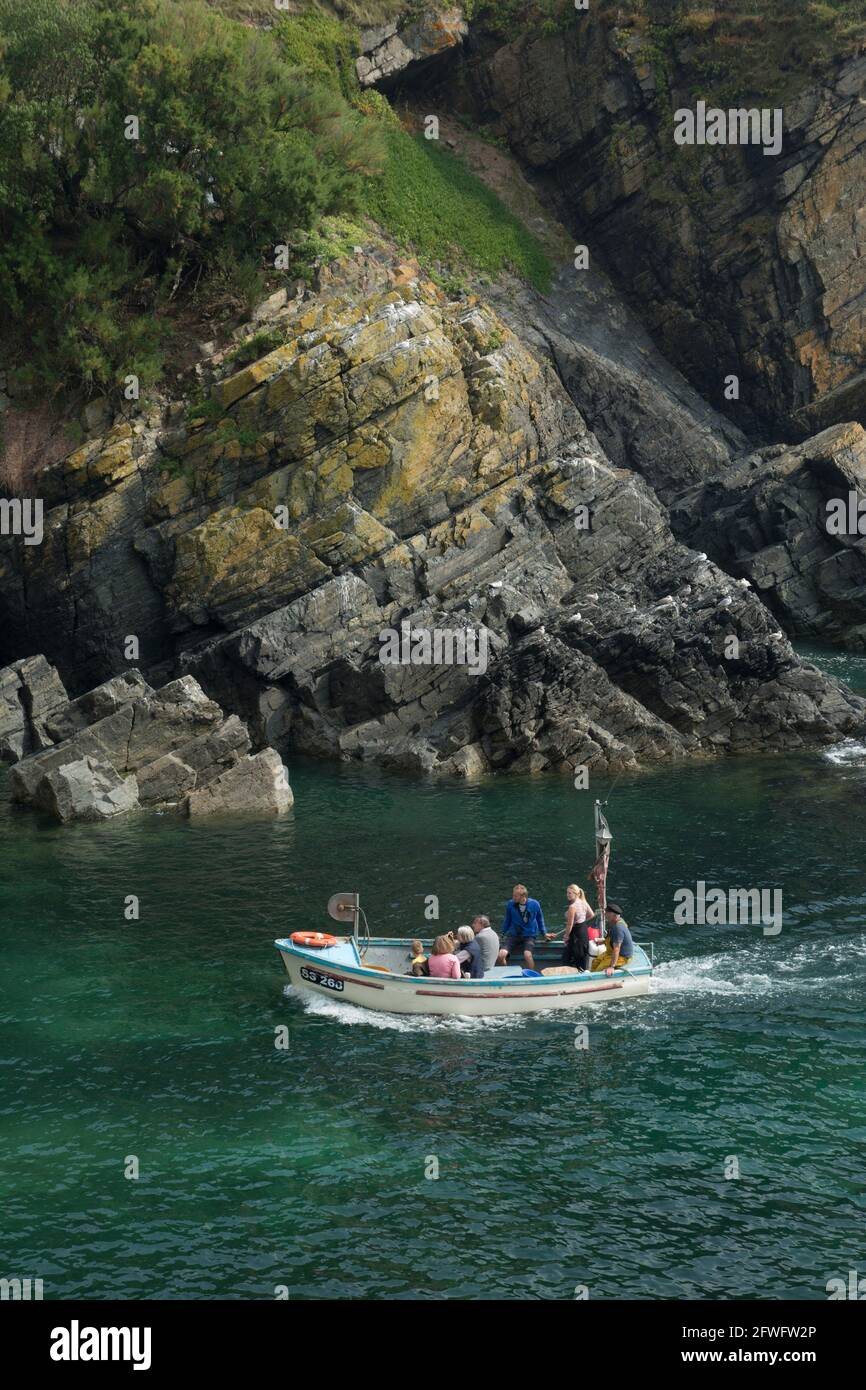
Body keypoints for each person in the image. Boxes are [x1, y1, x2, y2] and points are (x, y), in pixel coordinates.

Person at [498, 883, 548, 971]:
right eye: (513, 895)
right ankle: (506, 973)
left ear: (523, 896)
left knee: (527, 955)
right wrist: (502, 933)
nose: (513, 897)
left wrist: (544, 933)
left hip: (529, 935)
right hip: (514, 935)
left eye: (515, 896)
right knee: (501, 955)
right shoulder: (510, 904)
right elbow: (507, 920)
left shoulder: (535, 904)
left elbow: (540, 919)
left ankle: (531, 975)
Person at [559, 883, 596, 971]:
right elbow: (592, 915)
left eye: (570, 893)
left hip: (576, 933)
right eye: (567, 892)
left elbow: (570, 924)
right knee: (581, 955)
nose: (567, 895)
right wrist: (581, 920)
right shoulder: (583, 902)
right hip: (583, 930)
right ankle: (581, 971)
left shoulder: (572, 907)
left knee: (567, 957)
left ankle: (569, 972)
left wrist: (566, 936)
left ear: (576, 894)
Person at [592, 903, 635, 975]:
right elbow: (612, 938)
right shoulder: (616, 921)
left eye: (607, 913)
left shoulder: (618, 928)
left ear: (614, 915)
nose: (605, 915)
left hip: (622, 957)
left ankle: (594, 979)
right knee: (595, 962)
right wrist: (603, 941)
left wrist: (612, 967)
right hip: (610, 953)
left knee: (599, 969)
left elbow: (617, 948)